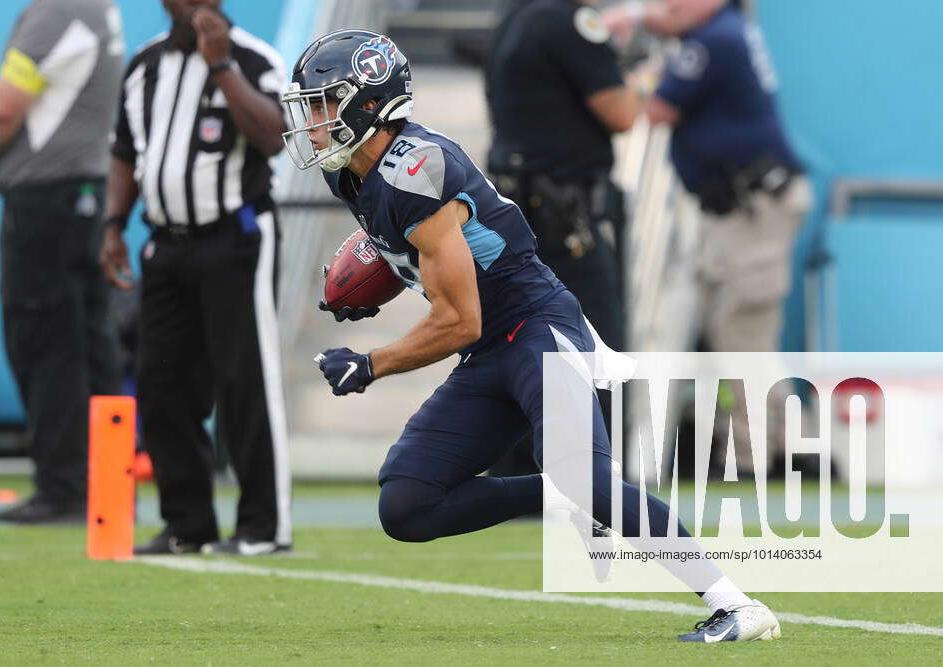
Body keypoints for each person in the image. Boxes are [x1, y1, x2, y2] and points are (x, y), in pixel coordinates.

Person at [284, 29, 782, 643]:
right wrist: (378, 274)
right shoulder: (354, 174)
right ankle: (558, 500)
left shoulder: (416, 170)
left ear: (367, 102)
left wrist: (371, 364)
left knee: (588, 475)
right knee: (407, 505)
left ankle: (737, 603)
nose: (311, 122)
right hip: (490, 347)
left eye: (323, 104)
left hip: (536, 328)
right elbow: (422, 255)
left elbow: (456, 317)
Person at [99, 0, 292, 556]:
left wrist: (221, 65)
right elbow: (123, 151)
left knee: (243, 380)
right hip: (165, 242)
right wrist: (113, 224)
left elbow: (273, 138)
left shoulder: (255, 59)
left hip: (235, 237)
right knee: (161, 385)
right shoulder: (145, 64)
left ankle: (263, 527)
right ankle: (188, 524)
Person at [604, 0, 812, 470]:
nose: (672, 3)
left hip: (753, 208)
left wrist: (631, 71)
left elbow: (652, 109)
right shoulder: (724, 30)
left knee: (742, 333)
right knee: (738, 333)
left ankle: (751, 457)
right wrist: (637, 19)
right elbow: (673, 20)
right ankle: (786, 444)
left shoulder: (714, 39)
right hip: (744, 206)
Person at [0, 0, 124, 523]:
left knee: (43, 342)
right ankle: (107, 489)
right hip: (85, 192)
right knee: (89, 347)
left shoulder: (57, 10)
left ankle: (62, 489)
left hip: (44, 199)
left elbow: (6, 109)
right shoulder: (101, 9)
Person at [486, 0, 641, 471]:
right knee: (600, 353)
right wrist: (641, 73)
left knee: (523, 343)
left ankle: (517, 479)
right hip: (563, 219)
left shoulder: (516, 15)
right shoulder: (572, 22)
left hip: (518, 214)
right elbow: (622, 113)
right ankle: (593, 481)